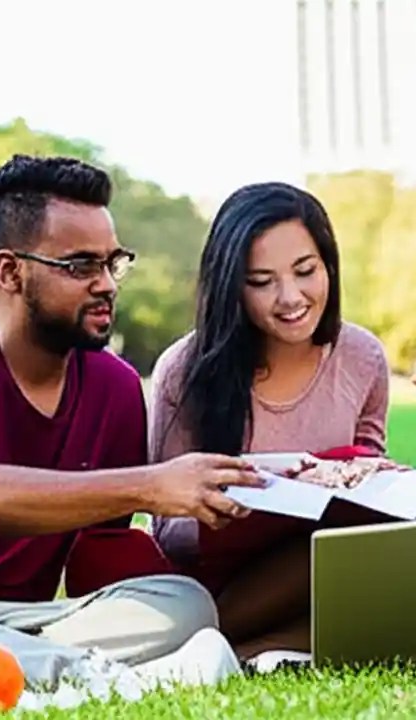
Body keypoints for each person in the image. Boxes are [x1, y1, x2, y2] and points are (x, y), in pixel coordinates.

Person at [0, 155, 257, 688]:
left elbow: (99, 550)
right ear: (9, 271)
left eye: (114, 263)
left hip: (28, 619)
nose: (108, 284)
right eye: (81, 266)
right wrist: (150, 487)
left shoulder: (114, 388)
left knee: (183, 604)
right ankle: (83, 675)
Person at [147, 181, 389, 667]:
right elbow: (168, 531)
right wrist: (264, 495)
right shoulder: (184, 370)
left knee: (366, 558)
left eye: (306, 272)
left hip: (329, 569)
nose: (290, 297)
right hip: (219, 584)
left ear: (329, 267)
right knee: (316, 555)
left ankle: (229, 655)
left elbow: (372, 485)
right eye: (261, 281)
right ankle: (217, 647)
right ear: (231, 286)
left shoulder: (362, 357)